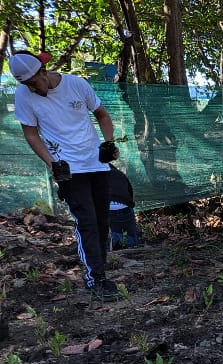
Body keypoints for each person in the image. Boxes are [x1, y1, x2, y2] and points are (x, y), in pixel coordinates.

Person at [10, 50, 121, 301]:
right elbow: (31, 134)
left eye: (34, 82)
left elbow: (102, 115)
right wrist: (52, 163)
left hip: (96, 163)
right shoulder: (24, 95)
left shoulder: (76, 84)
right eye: (27, 85)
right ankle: (95, 277)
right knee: (87, 222)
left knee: (103, 221)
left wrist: (108, 143)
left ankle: (100, 268)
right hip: (69, 170)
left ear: (43, 71)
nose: (33, 88)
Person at [107, 162, 139, 249]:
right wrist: (130, 203)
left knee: (115, 228)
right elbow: (130, 190)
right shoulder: (119, 174)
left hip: (110, 209)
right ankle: (132, 245)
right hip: (125, 207)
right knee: (130, 227)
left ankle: (117, 246)